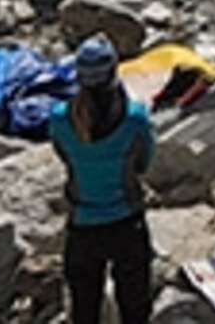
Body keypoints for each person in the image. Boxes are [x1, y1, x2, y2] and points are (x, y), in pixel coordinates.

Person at [50, 35, 156, 322]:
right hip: (126, 223)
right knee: (135, 310)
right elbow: (143, 164)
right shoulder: (135, 118)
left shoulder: (60, 119)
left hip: (82, 225)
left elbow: (64, 156)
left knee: (84, 311)